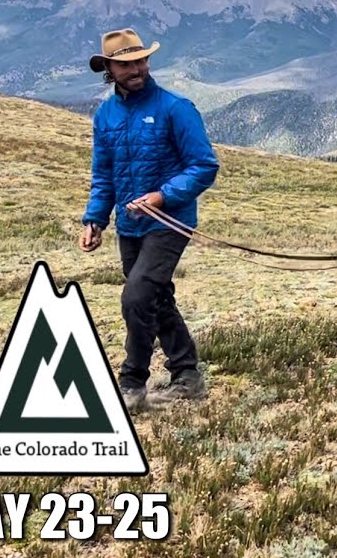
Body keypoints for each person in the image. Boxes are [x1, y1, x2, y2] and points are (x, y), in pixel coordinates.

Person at [78, 28, 220, 410]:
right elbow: (103, 174)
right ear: (108, 68)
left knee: (136, 297)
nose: (137, 68)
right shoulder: (105, 115)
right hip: (129, 225)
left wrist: (162, 195)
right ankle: (187, 375)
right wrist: (95, 219)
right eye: (126, 64)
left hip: (170, 222)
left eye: (140, 60)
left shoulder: (176, 108)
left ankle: (131, 383)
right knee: (155, 298)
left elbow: (204, 166)